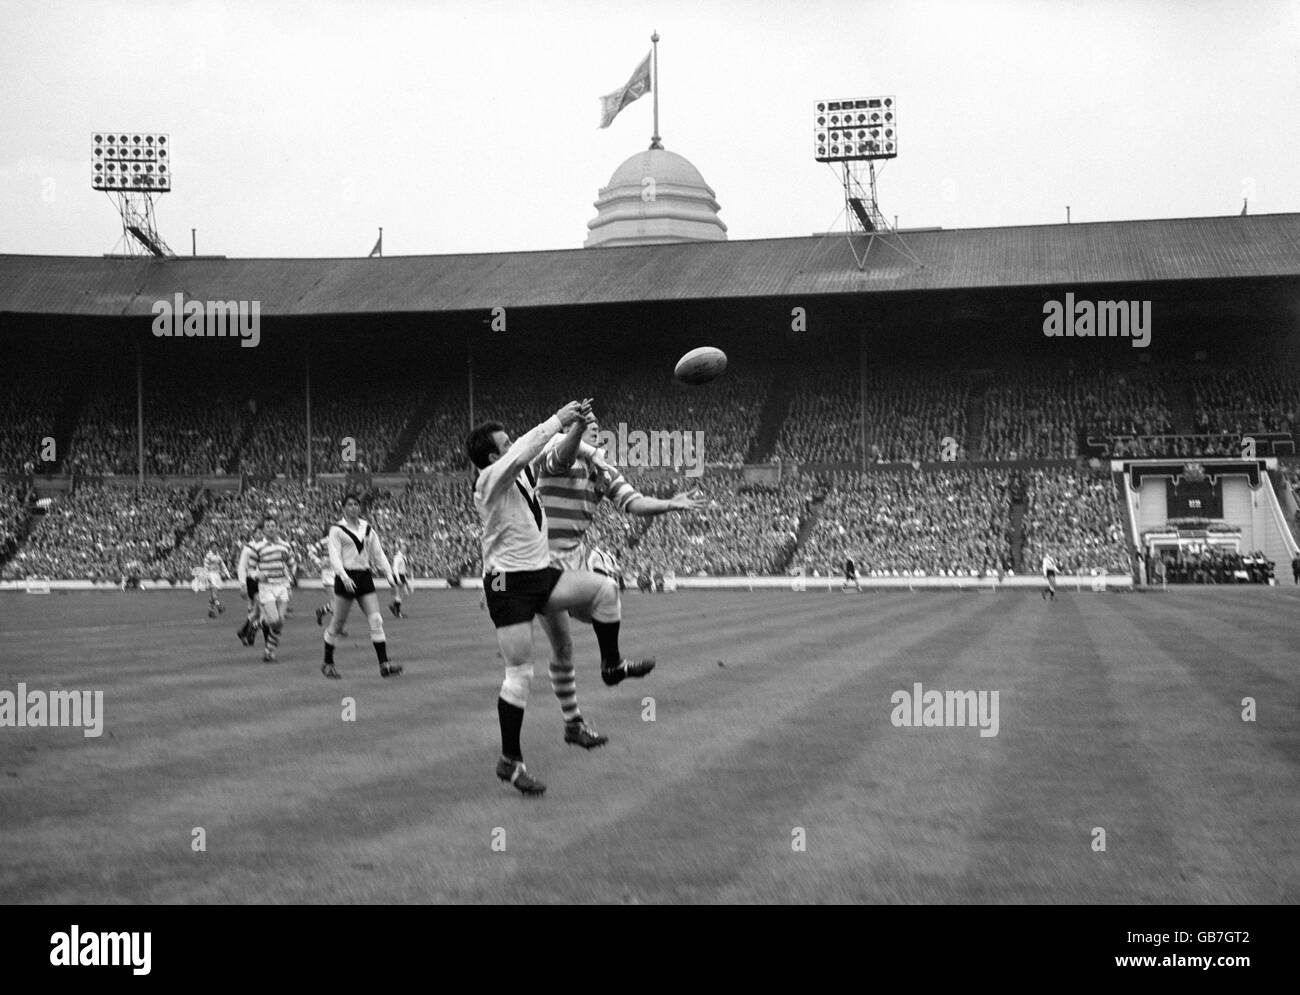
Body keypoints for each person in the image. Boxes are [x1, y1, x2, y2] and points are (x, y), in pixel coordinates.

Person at [468, 400, 647, 797]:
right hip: (506, 583)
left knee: (604, 589)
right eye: (506, 442)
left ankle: (611, 665)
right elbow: (526, 451)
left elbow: (557, 452)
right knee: (519, 674)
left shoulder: (522, 472)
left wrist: (581, 430)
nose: (513, 444)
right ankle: (510, 762)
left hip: (540, 575)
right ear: (493, 455)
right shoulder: (490, 479)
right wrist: (556, 420)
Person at [537, 415, 698, 749]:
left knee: (564, 650)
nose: (593, 428)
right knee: (606, 590)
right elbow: (564, 454)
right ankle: (612, 666)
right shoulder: (556, 459)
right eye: (585, 426)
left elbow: (633, 502)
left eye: (595, 426)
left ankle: (573, 726)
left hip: (569, 565)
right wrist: (577, 430)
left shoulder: (603, 473)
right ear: (572, 433)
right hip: (538, 566)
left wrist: (669, 504)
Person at [321, 493, 401, 680]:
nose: (353, 507)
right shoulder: (336, 530)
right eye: (349, 504)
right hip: (346, 577)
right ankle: (327, 663)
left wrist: (388, 573)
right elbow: (334, 555)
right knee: (338, 624)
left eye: (356, 504)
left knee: (376, 620)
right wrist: (342, 575)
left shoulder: (367, 528)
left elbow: (378, 553)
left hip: (364, 576)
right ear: (343, 508)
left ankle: (384, 665)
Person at [251, 514, 297, 663]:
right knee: (275, 619)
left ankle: (268, 652)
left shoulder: (285, 545)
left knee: (280, 622)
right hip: (266, 587)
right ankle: (258, 623)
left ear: (277, 528)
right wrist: (257, 574)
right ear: (263, 530)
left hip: (282, 585)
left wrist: (290, 580)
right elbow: (250, 569)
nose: (271, 528)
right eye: (268, 526)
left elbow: (292, 564)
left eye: (273, 526)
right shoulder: (257, 547)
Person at [235, 528, 264, 647]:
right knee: (264, 610)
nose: (261, 534)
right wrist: (242, 584)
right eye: (258, 532)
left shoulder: (265, 546)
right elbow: (241, 567)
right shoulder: (248, 548)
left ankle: (244, 632)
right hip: (252, 581)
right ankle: (250, 633)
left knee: (256, 611)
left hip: (262, 582)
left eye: (262, 532)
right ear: (253, 534)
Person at [202, 546, 230, 617]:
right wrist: (207, 576)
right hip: (211, 575)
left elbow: (222, 565)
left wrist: (227, 574)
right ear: (211, 548)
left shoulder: (218, 556)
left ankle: (210, 611)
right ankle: (219, 607)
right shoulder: (208, 556)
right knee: (214, 592)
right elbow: (205, 566)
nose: (215, 548)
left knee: (213, 594)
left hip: (217, 575)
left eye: (216, 546)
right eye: (213, 546)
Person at [388, 539, 412, 618]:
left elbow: (403, 569)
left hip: (401, 576)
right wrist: (398, 579)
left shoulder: (403, 557)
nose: (405, 549)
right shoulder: (398, 557)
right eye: (403, 548)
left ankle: (394, 606)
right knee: (400, 594)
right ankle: (397, 612)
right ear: (401, 548)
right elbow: (395, 568)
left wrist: (406, 579)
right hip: (398, 576)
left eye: (406, 548)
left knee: (404, 593)